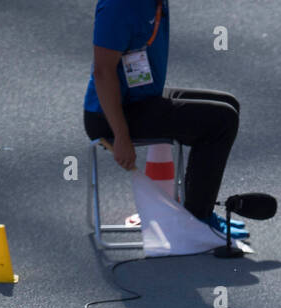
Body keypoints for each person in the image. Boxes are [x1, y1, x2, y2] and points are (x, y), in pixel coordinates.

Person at [83, 0, 246, 238]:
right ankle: (196, 221)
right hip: (111, 115)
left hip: (143, 98)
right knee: (221, 121)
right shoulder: (119, 6)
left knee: (229, 104)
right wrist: (121, 135)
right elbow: (103, 71)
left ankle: (195, 212)